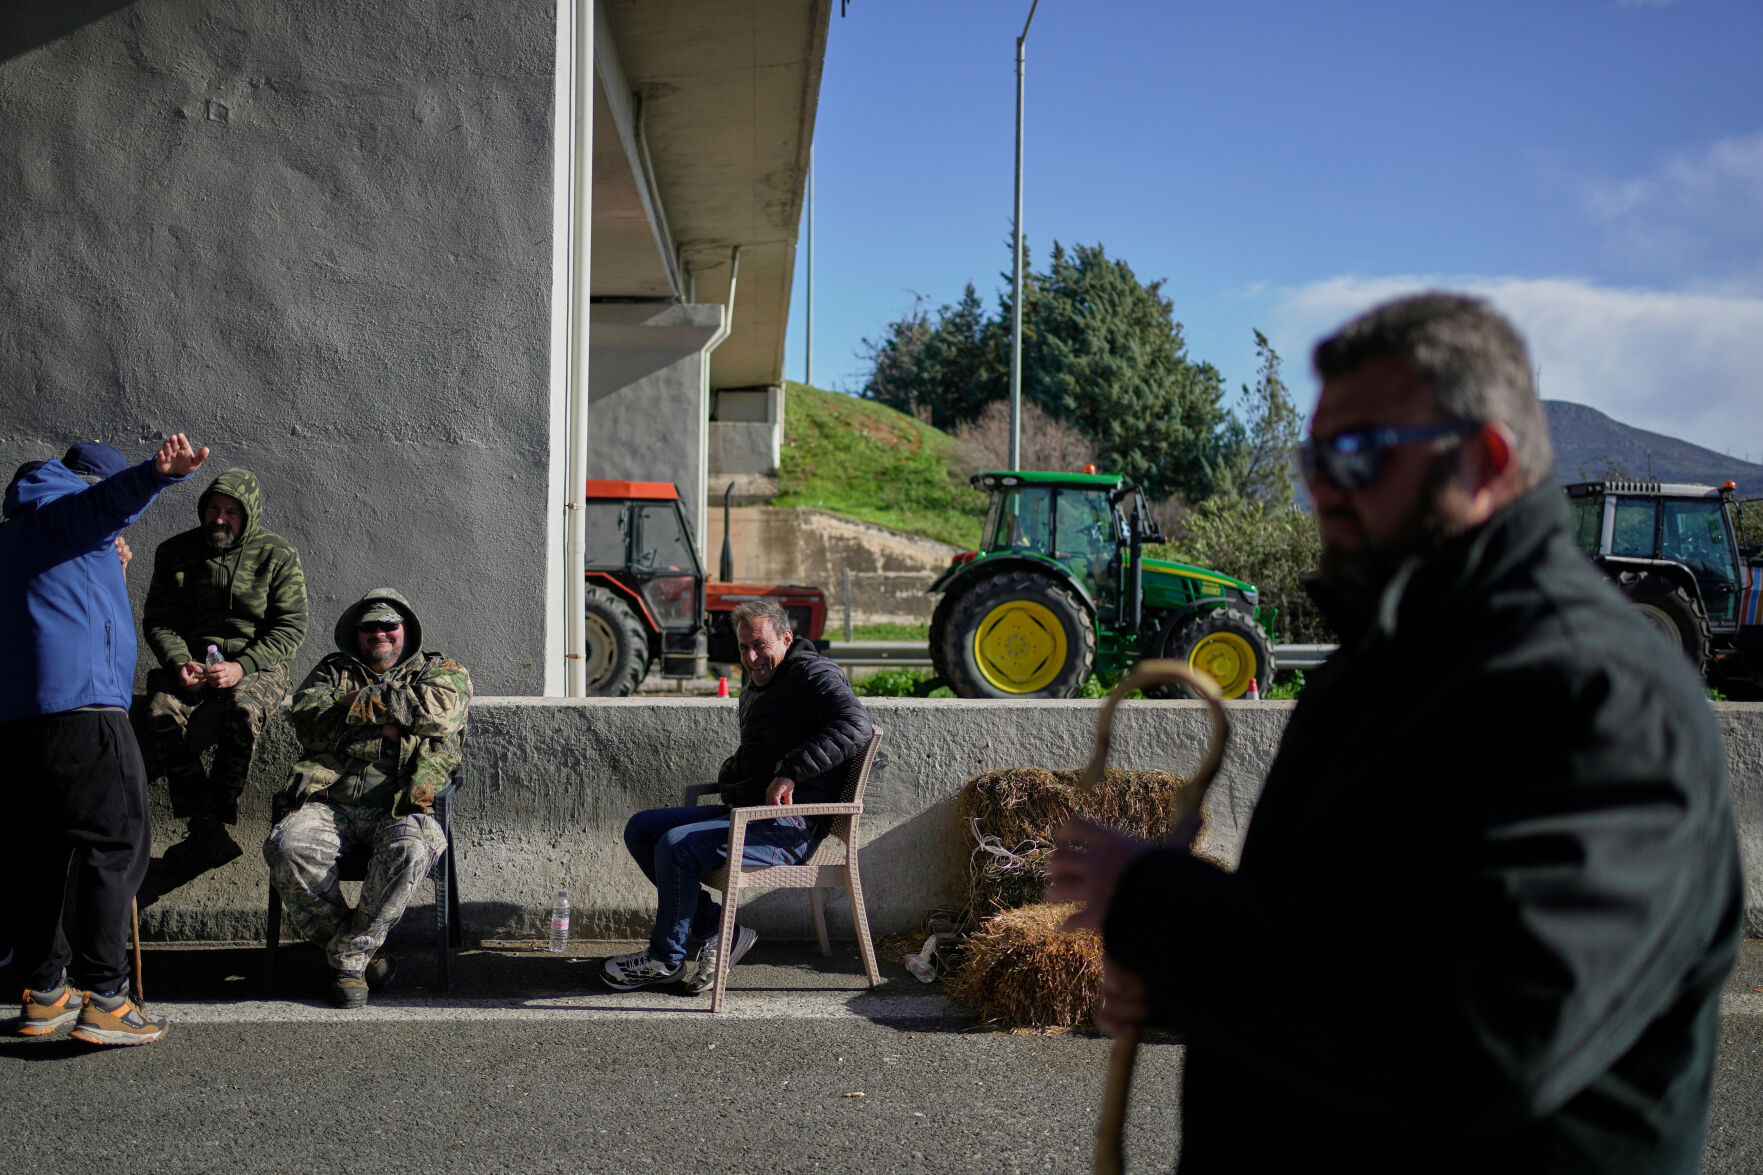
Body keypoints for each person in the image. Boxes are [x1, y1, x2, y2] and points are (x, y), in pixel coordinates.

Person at [1050, 293, 1741, 1172]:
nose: (1320, 488)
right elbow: (1340, 947)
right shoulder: (1390, 663)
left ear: (1484, 460)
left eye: (1359, 452)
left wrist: (1165, 912)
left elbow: (1482, 1038)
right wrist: (1187, 982)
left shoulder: (1596, 693)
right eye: (1314, 457)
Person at [2, 434, 210, 1045]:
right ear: (85, 482)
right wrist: (159, 473)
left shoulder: (16, 536)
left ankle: (44, 992)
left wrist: (107, 565)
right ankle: (108, 998)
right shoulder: (68, 509)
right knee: (117, 843)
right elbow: (105, 504)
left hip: (18, 723)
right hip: (84, 711)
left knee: (39, 854)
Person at [603, 599, 873, 993]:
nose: (751, 658)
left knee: (677, 846)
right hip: (751, 813)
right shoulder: (763, 682)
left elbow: (856, 725)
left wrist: (790, 773)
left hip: (789, 827)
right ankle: (720, 932)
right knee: (642, 829)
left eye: (760, 645)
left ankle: (665, 959)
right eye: (744, 648)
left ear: (786, 638)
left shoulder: (814, 674)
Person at [263, 588, 471, 1009]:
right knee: (287, 846)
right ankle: (361, 956)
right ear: (356, 633)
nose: (379, 633)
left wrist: (352, 709)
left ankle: (346, 958)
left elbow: (441, 714)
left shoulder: (440, 669)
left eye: (388, 625)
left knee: (414, 849)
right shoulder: (332, 670)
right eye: (369, 626)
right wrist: (395, 724)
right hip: (330, 803)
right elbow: (307, 721)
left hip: (402, 804)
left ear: (405, 630)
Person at [143, 467, 307, 870]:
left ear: (248, 515)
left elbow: (290, 627)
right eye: (214, 509)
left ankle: (218, 813)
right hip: (193, 664)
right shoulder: (174, 553)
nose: (220, 519)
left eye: (231, 512)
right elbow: (159, 621)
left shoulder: (278, 554)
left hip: (258, 664)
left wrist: (241, 666)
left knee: (243, 711)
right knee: (160, 713)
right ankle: (205, 825)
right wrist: (179, 661)